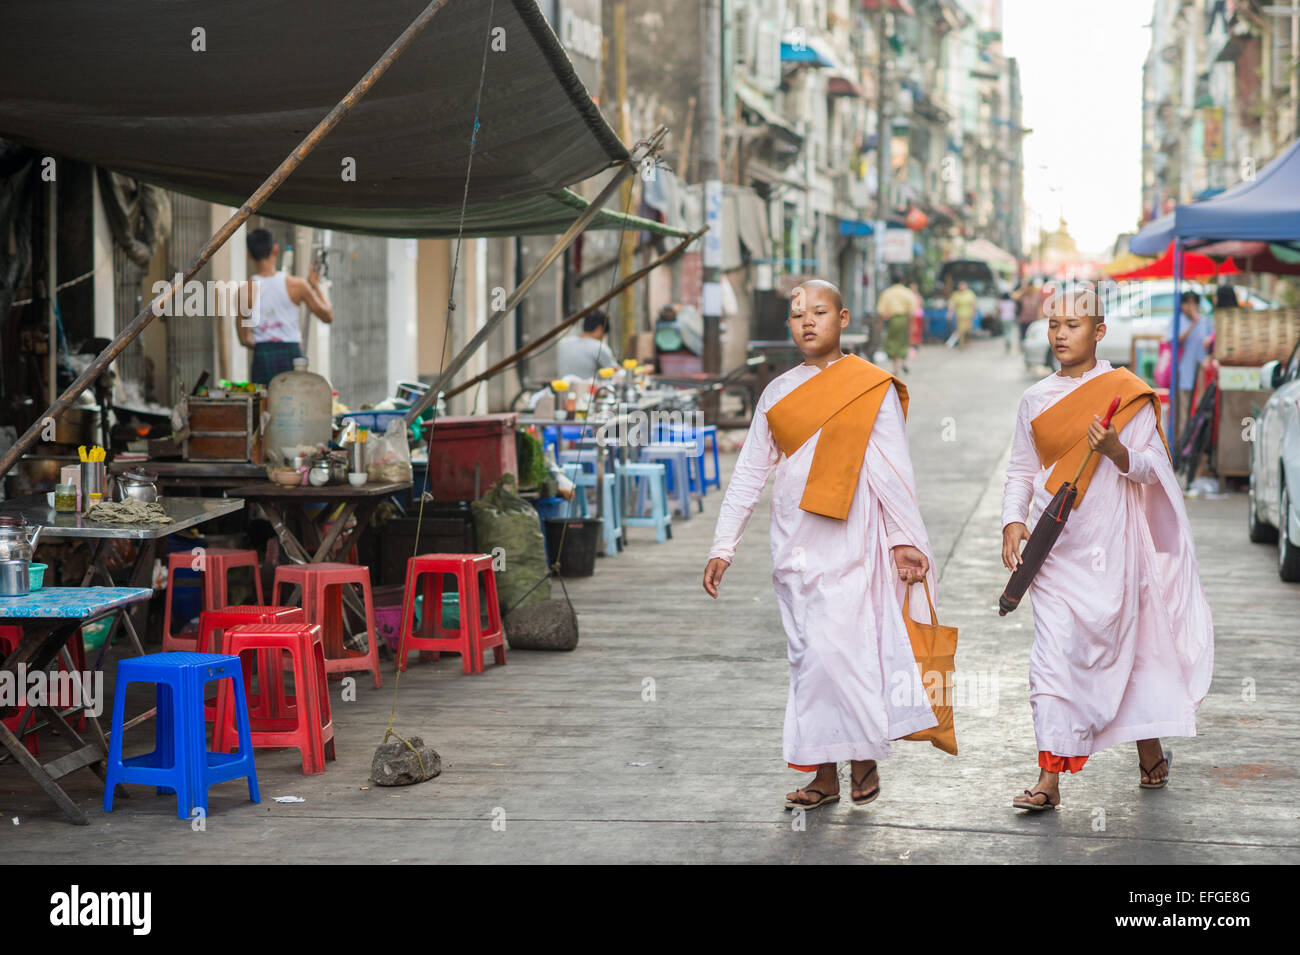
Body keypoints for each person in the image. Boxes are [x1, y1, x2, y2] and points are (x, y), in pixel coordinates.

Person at [703, 278, 940, 811]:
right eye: (796, 315)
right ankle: (825, 775)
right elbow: (748, 474)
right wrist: (724, 545)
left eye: (819, 312)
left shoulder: (869, 385)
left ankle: (863, 757)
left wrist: (903, 539)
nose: (807, 321)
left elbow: (893, 469)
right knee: (809, 658)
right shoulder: (777, 392)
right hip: (794, 542)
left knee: (846, 652)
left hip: (856, 541)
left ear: (843, 318)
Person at [1000, 285, 1214, 811]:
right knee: (1052, 660)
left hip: (1113, 548)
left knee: (1135, 652)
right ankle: (1048, 781)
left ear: (1098, 331)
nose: (1059, 335)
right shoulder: (1036, 398)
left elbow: (1153, 470)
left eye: (1072, 326)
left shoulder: (1130, 393)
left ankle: (1149, 743)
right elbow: (1021, 470)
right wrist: (1011, 520)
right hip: (1053, 552)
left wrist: (1117, 450)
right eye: (1053, 325)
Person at [236, 228, 333, 386]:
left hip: (262, 357)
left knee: (264, 406)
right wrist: (315, 285)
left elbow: (244, 339)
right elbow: (328, 316)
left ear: (249, 254)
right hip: (291, 354)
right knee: (295, 403)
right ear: (275, 249)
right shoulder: (297, 285)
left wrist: (266, 347)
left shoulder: (244, 292)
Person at [1167, 291, 1212, 442]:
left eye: (1194, 303)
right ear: (1181, 305)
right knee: (1182, 412)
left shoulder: (1204, 321)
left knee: (1196, 410)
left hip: (1199, 373)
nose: (1191, 307)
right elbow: (1175, 341)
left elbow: (1209, 344)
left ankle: (1192, 443)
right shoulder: (1177, 320)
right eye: (1187, 303)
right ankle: (1180, 443)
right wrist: (1193, 323)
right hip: (1181, 372)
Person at [556, 309, 617, 379]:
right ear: (599, 329)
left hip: (562, 388)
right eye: (604, 334)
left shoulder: (563, 343)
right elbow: (614, 371)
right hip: (587, 389)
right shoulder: (599, 347)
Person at [877, 279, 919, 376]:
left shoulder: (887, 293)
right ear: (902, 281)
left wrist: (880, 324)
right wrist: (913, 324)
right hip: (904, 319)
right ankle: (903, 362)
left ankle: (895, 367)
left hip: (893, 320)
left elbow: (881, 310)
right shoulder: (907, 292)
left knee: (892, 342)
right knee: (903, 341)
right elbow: (912, 310)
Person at [948, 280, 977, 348]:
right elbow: (952, 305)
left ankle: (967, 341)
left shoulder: (970, 293)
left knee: (968, 330)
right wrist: (950, 313)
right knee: (961, 330)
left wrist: (974, 312)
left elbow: (973, 304)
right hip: (960, 315)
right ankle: (961, 344)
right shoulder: (956, 294)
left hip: (968, 315)